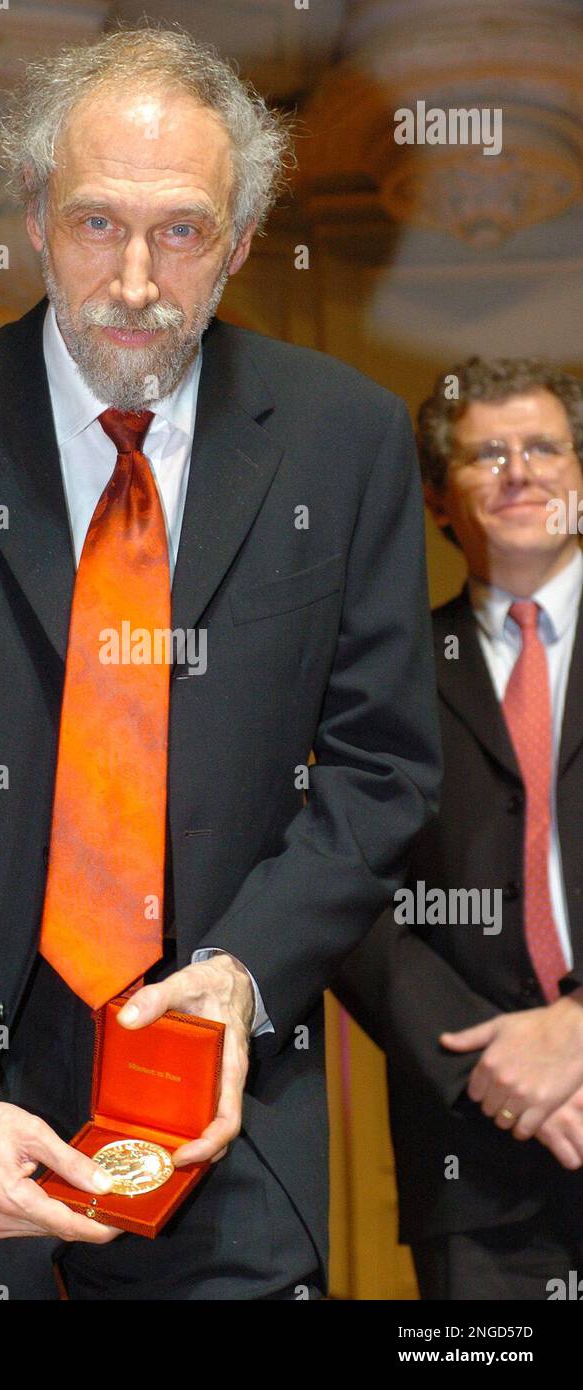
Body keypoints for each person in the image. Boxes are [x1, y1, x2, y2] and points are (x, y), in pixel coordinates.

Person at [0, 24, 441, 1301]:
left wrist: (243, 974)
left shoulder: (345, 440)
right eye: (96, 222)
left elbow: (381, 771)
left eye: (183, 231)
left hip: (224, 1118)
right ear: (33, 214)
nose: (135, 278)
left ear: (243, 243)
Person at [334, 356, 583, 1300]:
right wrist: (498, 1063)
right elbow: (350, 896)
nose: (517, 471)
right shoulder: (375, 682)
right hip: (475, 1168)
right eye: (485, 454)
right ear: (440, 499)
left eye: (542, 447)